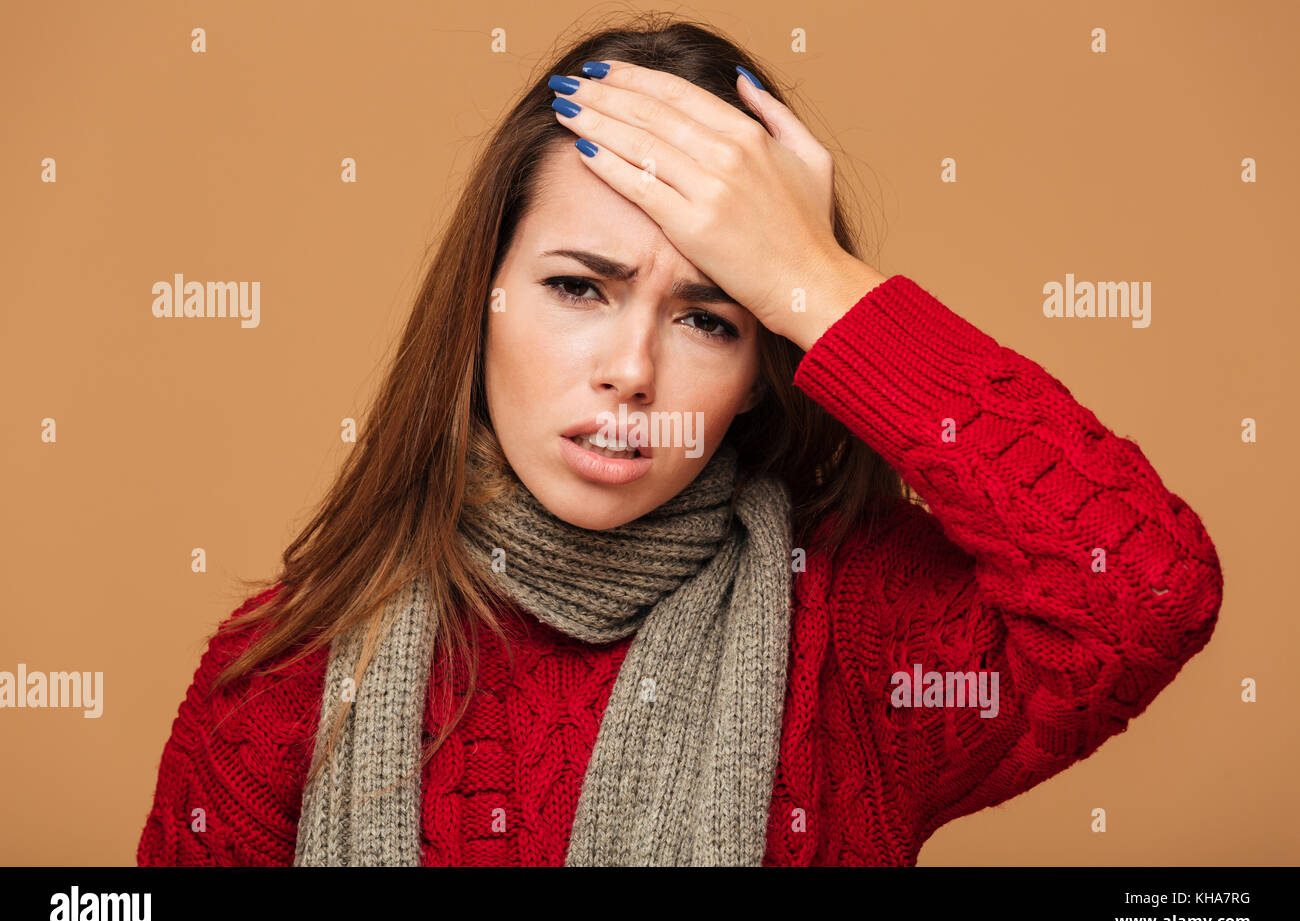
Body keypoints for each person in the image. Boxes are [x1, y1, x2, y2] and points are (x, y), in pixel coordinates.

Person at [137, 15, 1224, 867]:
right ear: (484, 300)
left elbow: (1143, 587)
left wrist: (813, 281)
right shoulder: (284, 673)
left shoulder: (851, 632)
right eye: (577, 287)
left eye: (710, 316)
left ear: (761, 372)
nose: (632, 370)